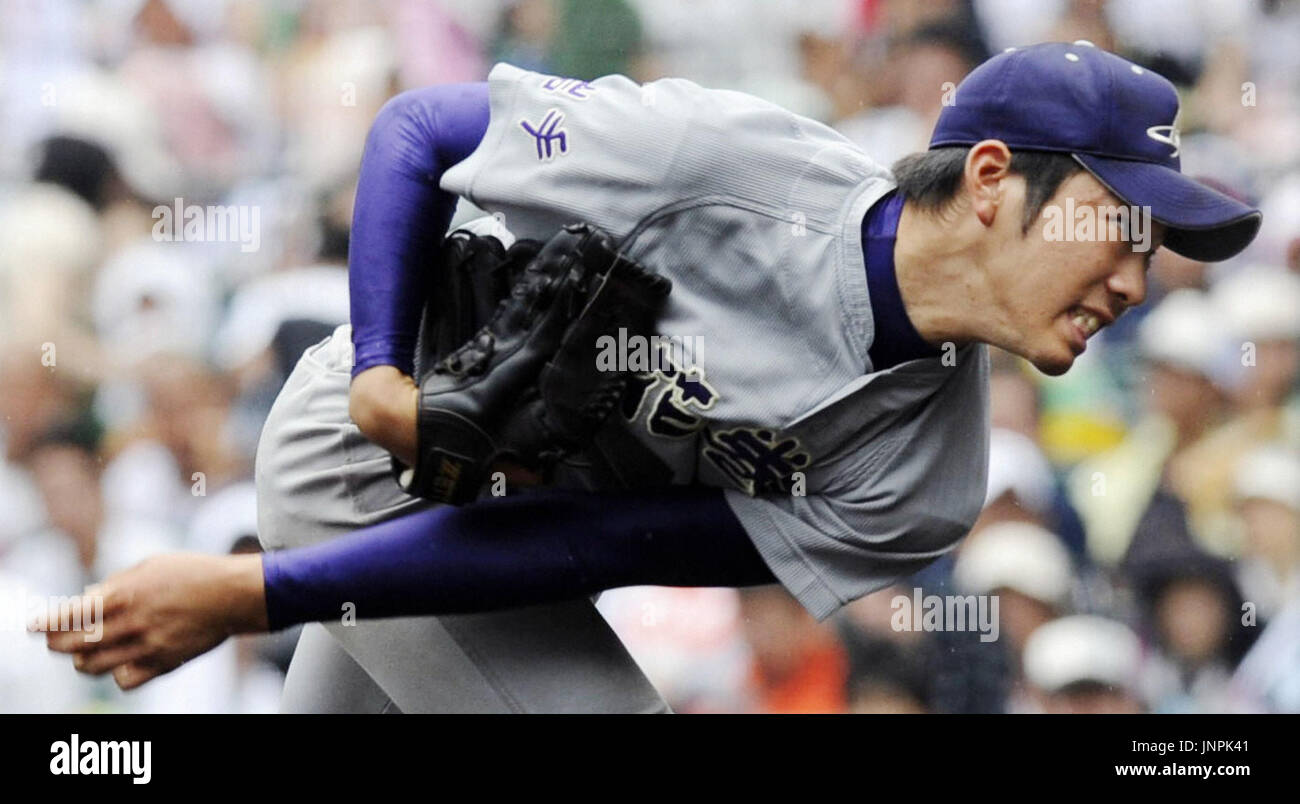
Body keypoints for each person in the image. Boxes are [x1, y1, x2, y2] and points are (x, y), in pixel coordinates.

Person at [35, 42, 1260, 709]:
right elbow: (419, 128)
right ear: (991, 180)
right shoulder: (723, 164)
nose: (1136, 281)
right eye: (1119, 226)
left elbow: (584, 548)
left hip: (493, 534)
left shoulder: (926, 482)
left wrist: (257, 599)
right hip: (355, 463)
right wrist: (372, 380)